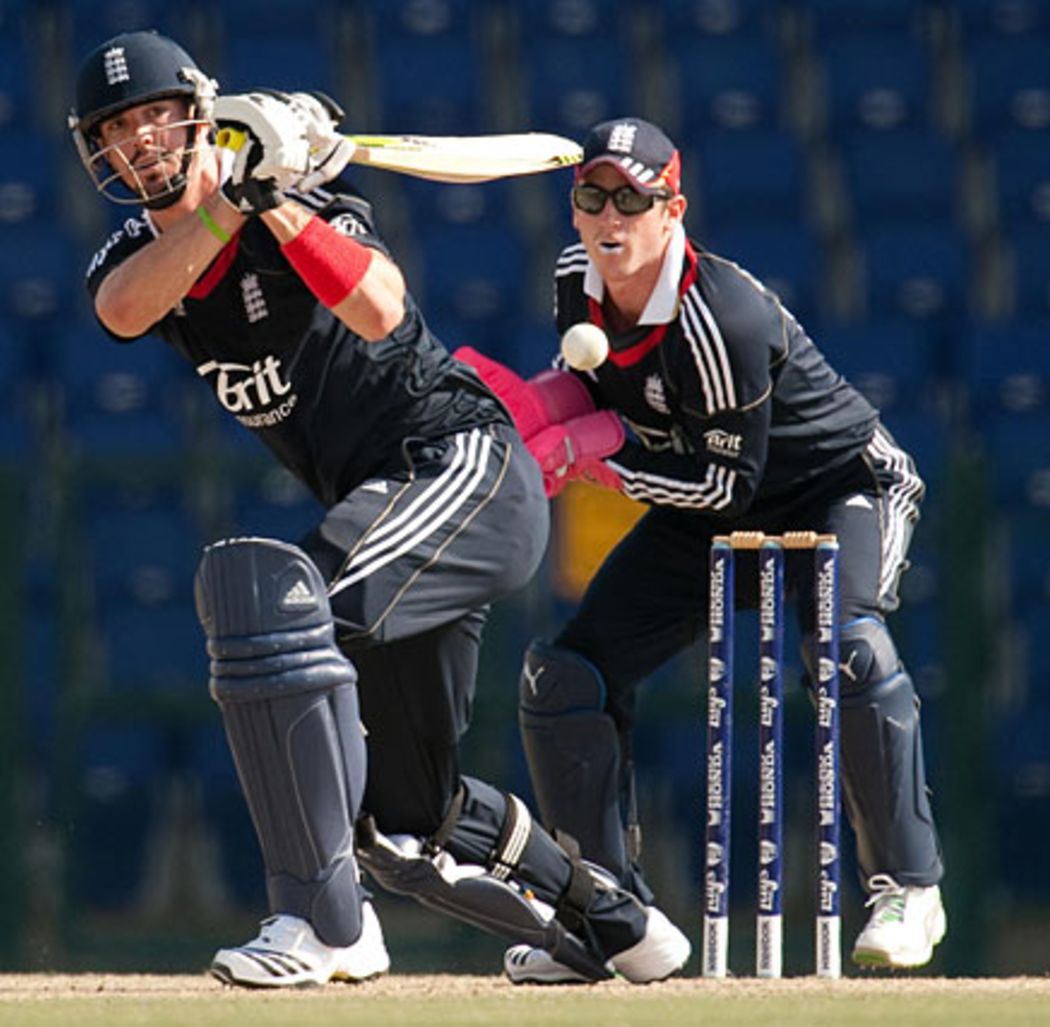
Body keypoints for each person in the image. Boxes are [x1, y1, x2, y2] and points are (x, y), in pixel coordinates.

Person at [70, 33, 689, 988]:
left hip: (458, 464)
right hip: (395, 514)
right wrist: (234, 200)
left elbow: (381, 309)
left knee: (278, 606)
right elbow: (122, 308)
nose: (141, 140)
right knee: (407, 820)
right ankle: (619, 924)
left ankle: (324, 924)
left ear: (197, 112)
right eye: (118, 129)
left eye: (155, 115)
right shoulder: (140, 252)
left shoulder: (304, 204)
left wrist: (276, 202)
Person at [463, 117, 947, 982]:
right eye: (591, 197)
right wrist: (539, 412)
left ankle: (909, 887)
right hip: (708, 500)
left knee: (845, 647)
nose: (609, 217)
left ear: (671, 209)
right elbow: (595, 385)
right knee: (565, 676)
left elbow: (726, 483)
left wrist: (596, 453)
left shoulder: (719, 315)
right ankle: (607, 919)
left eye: (631, 199)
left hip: (838, 486)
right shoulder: (575, 277)